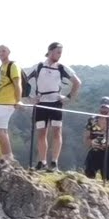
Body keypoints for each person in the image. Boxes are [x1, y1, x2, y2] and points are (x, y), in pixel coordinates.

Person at [25, 42, 81, 171]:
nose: (59, 55)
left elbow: (77, 82)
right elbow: (23, 81)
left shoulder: (62, 67)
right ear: (50, 51)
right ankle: (42, 161)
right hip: (40, 104)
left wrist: (68, 98)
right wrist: (29, 98)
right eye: (58, 52)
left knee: (56, 132)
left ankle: (54, 162)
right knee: (41, 133)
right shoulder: (38, 66)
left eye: (61, 53)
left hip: (56, 103)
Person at [0, 45, 22, 160]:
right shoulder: (2, 66)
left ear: (9, 52)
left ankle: (8, 158)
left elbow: (17, 84)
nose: (1, 53)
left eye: (3, 51)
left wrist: (18, 100)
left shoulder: (13, 66)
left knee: (1, 130)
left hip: (7, 102)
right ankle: (4, 156)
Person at [84, 96, 109, 181]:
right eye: (103, 108)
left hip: (108, 154)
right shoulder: (92, 120)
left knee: (108, 180)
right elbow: (86, 138)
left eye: (106, 108)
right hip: (94, 153)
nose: (104, 111)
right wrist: (93, 143)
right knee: (88, 178)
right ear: (99, 107)